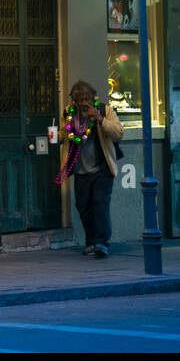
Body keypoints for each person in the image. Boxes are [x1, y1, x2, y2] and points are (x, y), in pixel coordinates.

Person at [58, 80, 124, 258]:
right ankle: (90, 241)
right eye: (79, 100)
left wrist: (100, 118)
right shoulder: (69, 113)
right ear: (74, 101)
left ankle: (101, 243)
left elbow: (118, 133)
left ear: (93, 98)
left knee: (100, 205)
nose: (83, 104)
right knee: (83, 206)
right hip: (80, 170)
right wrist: (57, 136)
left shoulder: (104, 110)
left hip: (102, 168)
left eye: (86, 99)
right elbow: (66, 133)